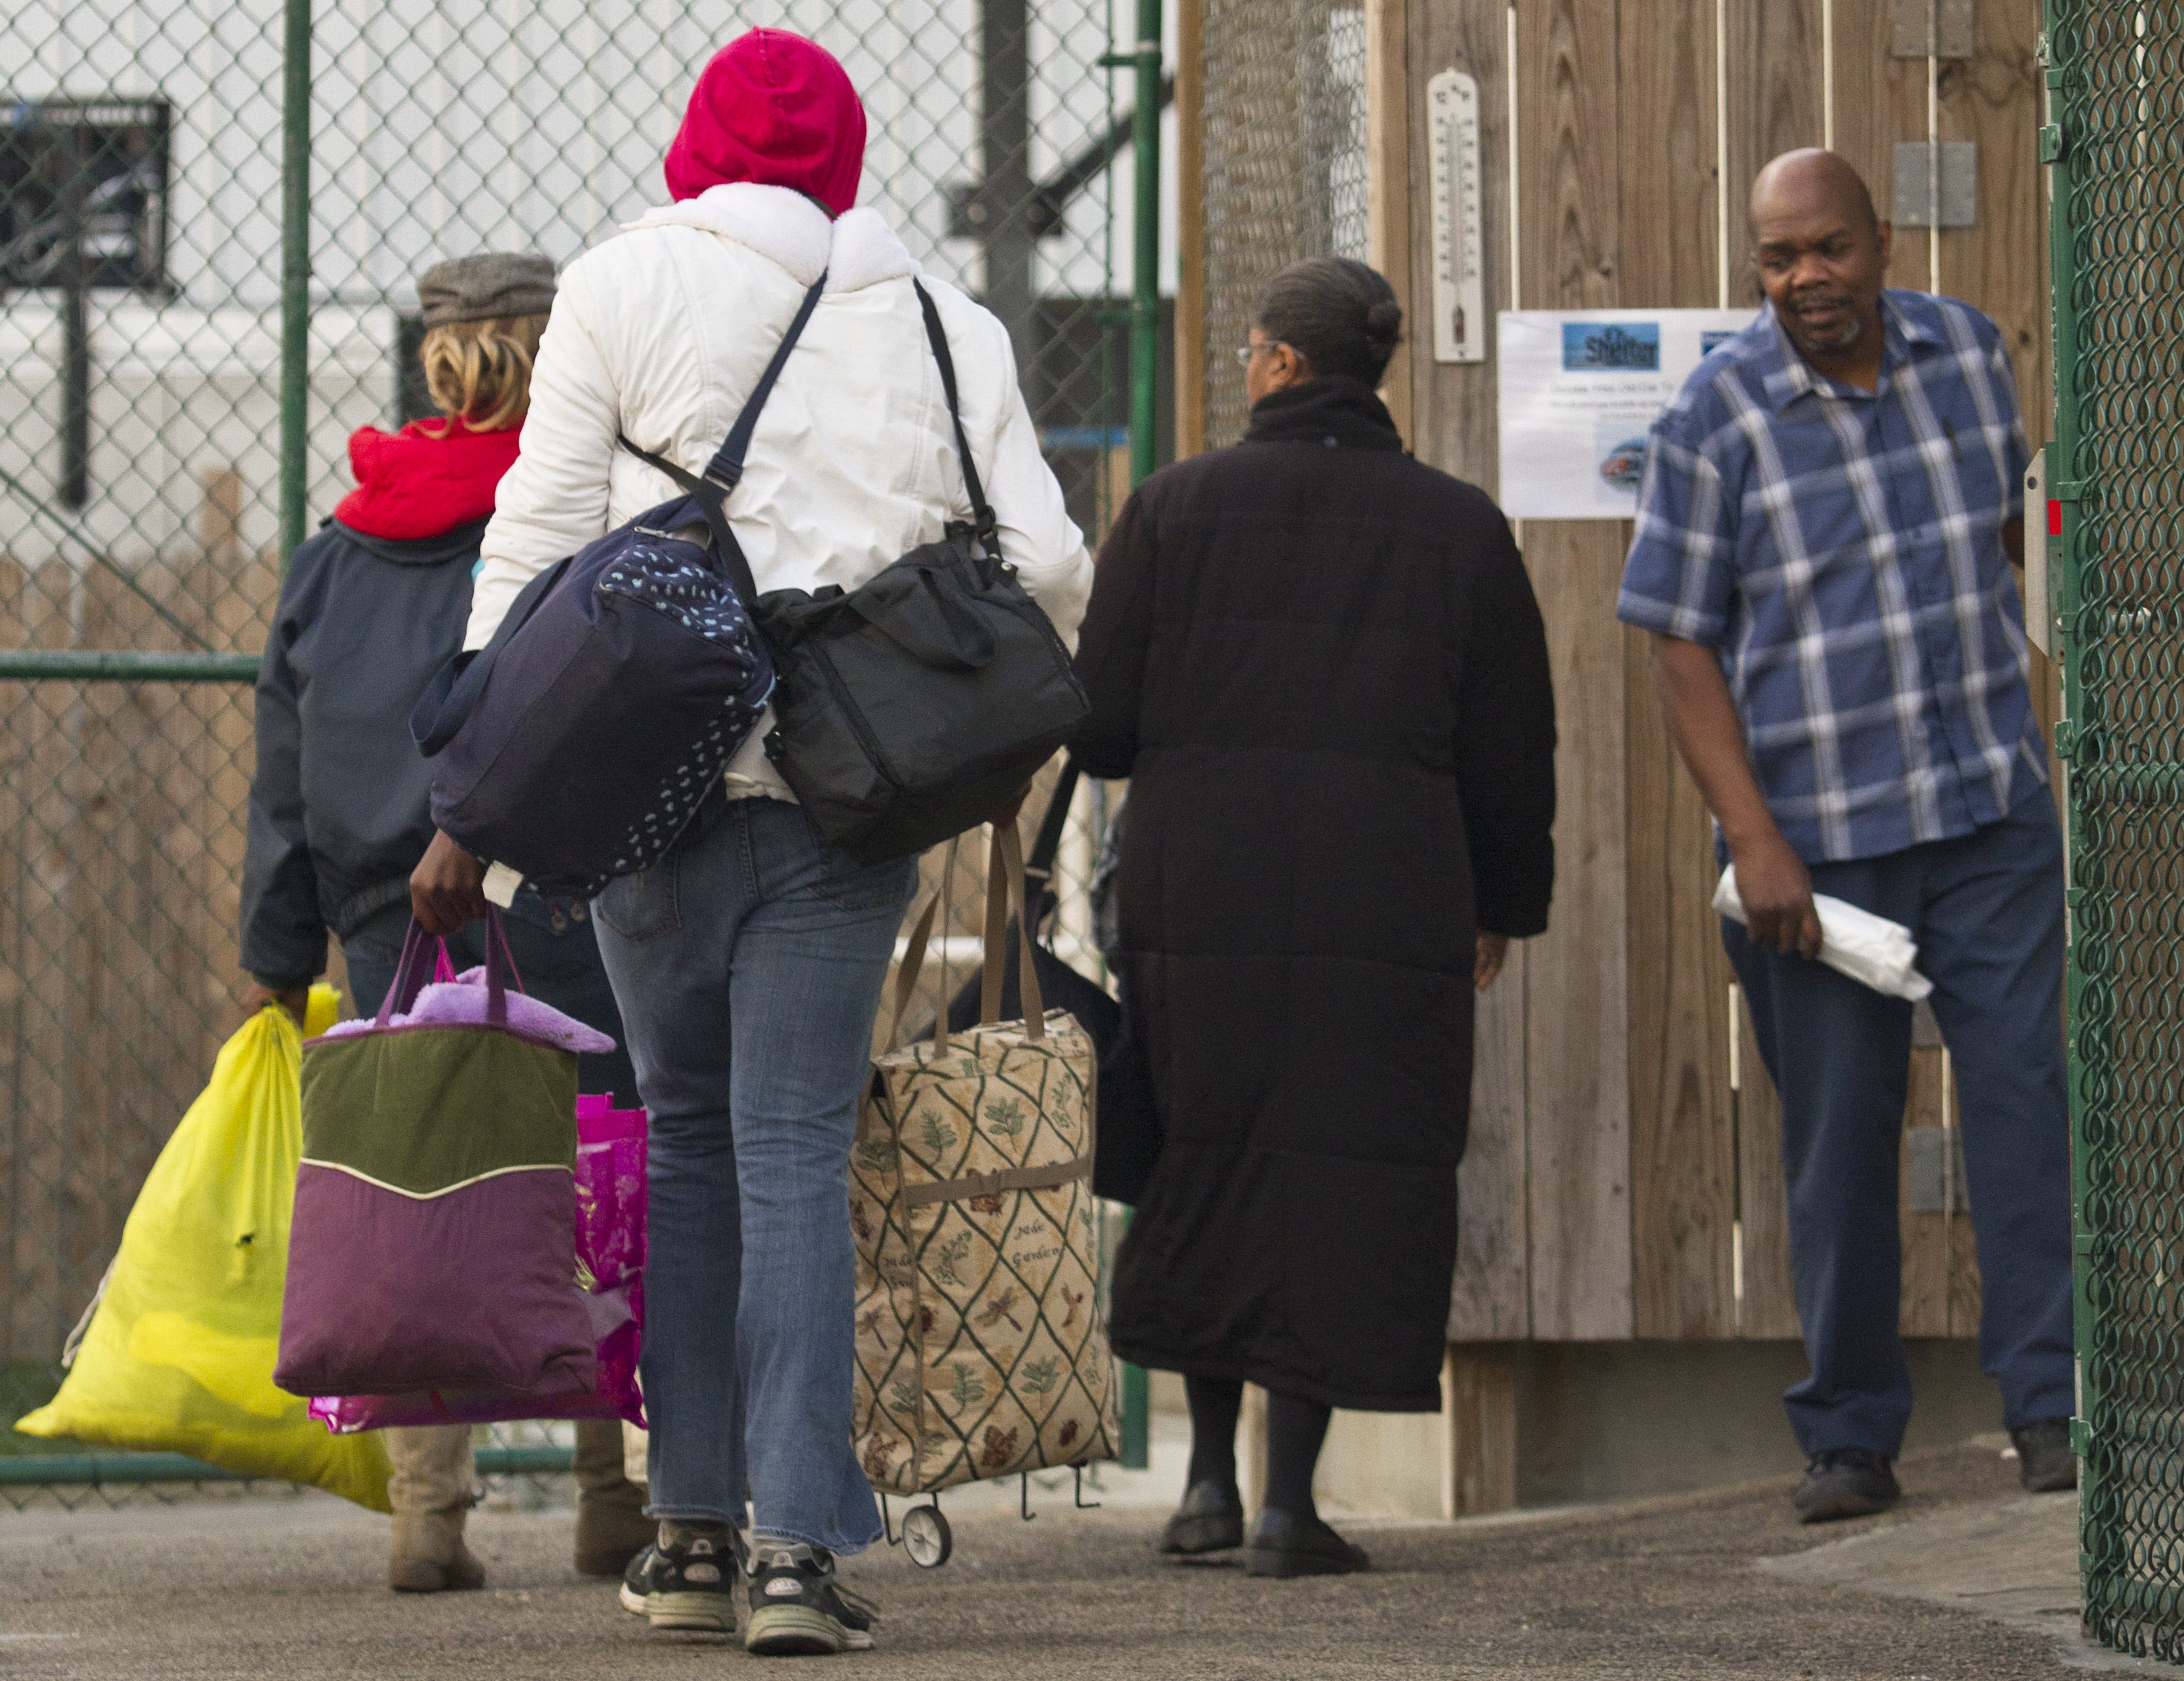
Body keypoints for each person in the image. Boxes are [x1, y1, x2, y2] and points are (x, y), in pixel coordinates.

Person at [405, 29, 1092, 1655]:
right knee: (795, 1158)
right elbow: (1050, 563)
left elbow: (536, 535)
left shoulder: (618, 286)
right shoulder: (938, 317)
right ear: (845, 163)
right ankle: (797, 1549)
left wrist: (476, 808)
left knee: (688, 1141)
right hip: (847, 807)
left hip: (645, 796)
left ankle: (687, 1537)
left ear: (693, 153)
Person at [1073, 257, 1557, 1577]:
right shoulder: (1458, 530)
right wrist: (1501, 904)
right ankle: (1291, 1504)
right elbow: (1510, 752)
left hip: (1197, 888)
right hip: (1388, 891)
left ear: (1281, 364)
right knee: (1339, 1169)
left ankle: (1202, 1487)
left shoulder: (1172, 510)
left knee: (1203, 1152)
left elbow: (1101, 725)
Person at [1616, 148, 2076, 1524]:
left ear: (1877, 243)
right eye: (1774, 259)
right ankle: (1850, 1436)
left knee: (2022, 1106)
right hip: (1818, 854)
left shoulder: (1966, 353)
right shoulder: (1716, 418)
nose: (1802, 279)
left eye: (1826, 249)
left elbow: (2011, 533)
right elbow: (1679, 646)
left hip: (1989, 806)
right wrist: (1750, 842)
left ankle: (2049, 1406)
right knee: (1834, 1137)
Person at [239, 252, 653, 1592]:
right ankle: (611, 1499)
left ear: (436, 358)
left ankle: (430, 1516)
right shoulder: (571, 516)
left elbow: (282, 770)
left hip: (382, 921)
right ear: (551, 354)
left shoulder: (337, 548)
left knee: (416, 1188)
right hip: (562, 894)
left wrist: (276, 953)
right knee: (580, 1180)